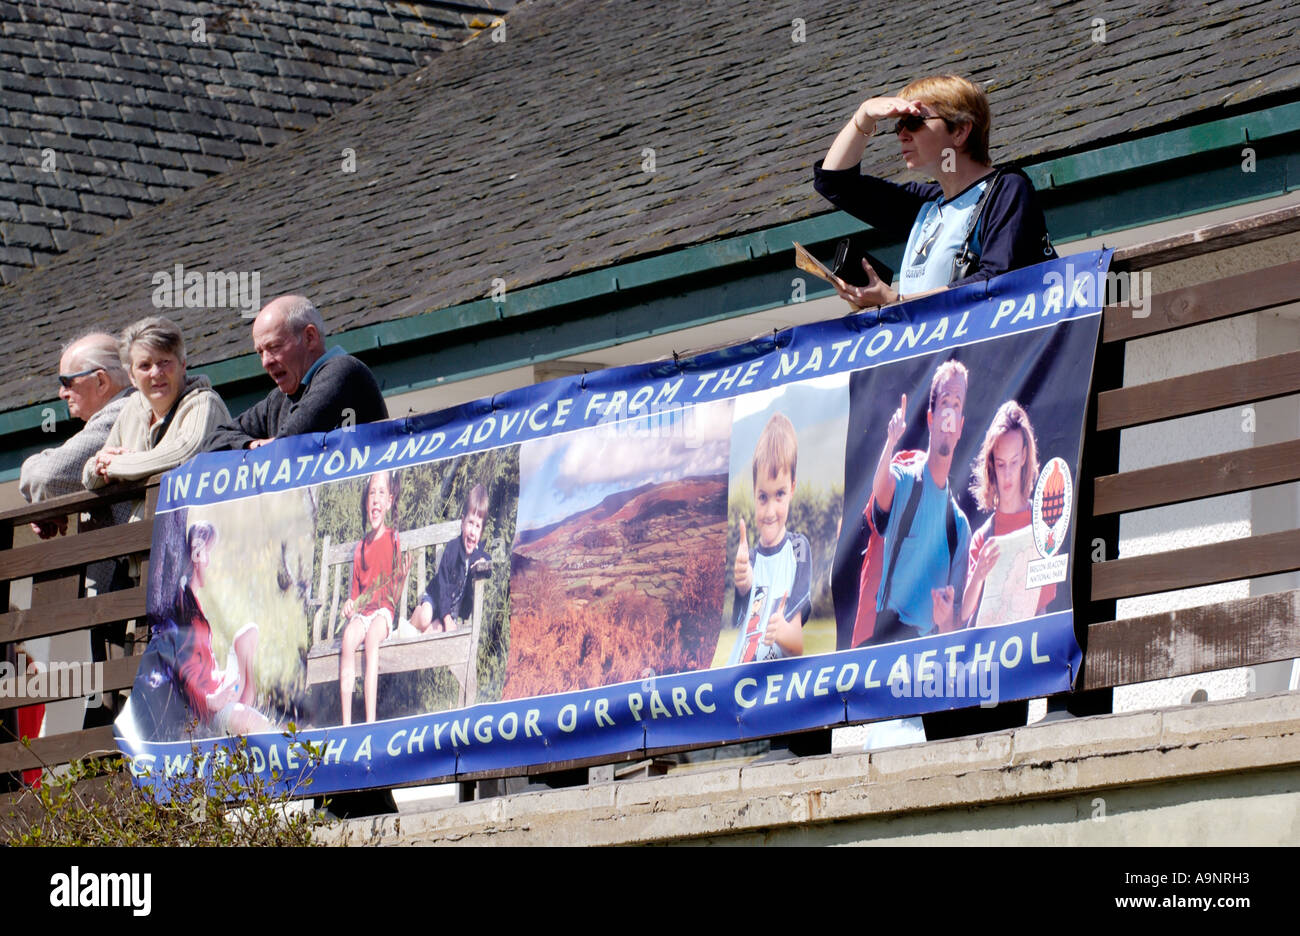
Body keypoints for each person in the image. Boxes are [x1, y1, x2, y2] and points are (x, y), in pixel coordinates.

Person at [814, 73, 1056, 310]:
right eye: (898, 126)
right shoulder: (928, 204)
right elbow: (835, 183)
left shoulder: (1006, 188)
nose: (902, 135)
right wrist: (864, 115)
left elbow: (998, 280)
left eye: (914, 122)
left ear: (960, 131)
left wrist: (896, 302)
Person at [867, 360, 972, 644]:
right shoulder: (904, 481)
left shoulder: (959, 527)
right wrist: (891, 442)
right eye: (945, 403)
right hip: (886, 642)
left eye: (957, 405)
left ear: (961, 426)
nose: (949, 414)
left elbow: (954, 627)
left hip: (928, 659)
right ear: (930, 418)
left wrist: (945, 618)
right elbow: (881, 490)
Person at [204, 295, 388, 451]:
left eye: (274, 347)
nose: (266, 361)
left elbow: (293, 440)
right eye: (260, 352)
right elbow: (213, 441)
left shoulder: (343, 371)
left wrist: (269, 446)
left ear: (310, 337)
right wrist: (254, 445)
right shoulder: (277, 400)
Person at [82, 317, 230, 490]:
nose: (156, 373)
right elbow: (90, 477)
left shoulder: (204, 403)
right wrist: (97, 467)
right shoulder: (132, 408)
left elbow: (182, 456)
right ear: (131, 376)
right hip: (144, 518)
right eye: (145, 366)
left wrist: (114, 465)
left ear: (183, 365)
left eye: (164, 362)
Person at [163, 522, 273, 737]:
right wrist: (211, 701)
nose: (210, 561)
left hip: (218, 688)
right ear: (196, 555)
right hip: (208, 708)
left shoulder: (194, 603)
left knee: (249, 633)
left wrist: (224, 680)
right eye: (208, 553)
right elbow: (182, 672)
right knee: (261, 724)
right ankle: (238, 713)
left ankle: (240, 703)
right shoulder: (183, 608)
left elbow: (205, 664)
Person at [20, 333, 134, 539]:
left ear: (101, 381)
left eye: (66, 381)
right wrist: (45, 505)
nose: (61, 393)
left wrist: (42, 495)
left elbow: (47, 477)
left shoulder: (123, 411)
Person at [727, 413, 812, 665]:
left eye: (780, 495)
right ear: (753, 493)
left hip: (771, 689)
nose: (770, 511)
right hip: (738, 684)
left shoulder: (799, 549)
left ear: (793, 489)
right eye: (762, 497)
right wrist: (743, 584)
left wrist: (783, 632)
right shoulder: (749, 559)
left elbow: (797, 645)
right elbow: (740, 623)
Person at [961, 401, 1057, 627]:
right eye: (1001, 464)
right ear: (991, 463)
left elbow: (1044, 602)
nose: (1008, 474)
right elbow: (965, 613)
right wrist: (978, 576)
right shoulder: (983, 536)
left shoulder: (1043, 524)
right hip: (993, 654)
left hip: (1030, 649)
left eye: (1014, 462)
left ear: (1024, 456)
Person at [339, 470, 407, 726]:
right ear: (367, 503)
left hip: (382, 613)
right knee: (347, 639)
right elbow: (354, 596)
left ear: (389, 501)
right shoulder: (360, 547)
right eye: (371, 493)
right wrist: (349, 605)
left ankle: (369, 721)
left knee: (370, 640)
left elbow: (394, 586)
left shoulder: (393, 539)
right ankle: (346, 724)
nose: (376, 499)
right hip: (363, 613)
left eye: (381, 493)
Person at [410, 484, 491, 635]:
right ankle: (410, 623)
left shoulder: (476, 553)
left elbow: (487, 561)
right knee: (425, 619)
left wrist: (484, 562)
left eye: (478, 526)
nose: (473, 532)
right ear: (462, 523)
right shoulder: (452, 550)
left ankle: (416, 642)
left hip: (448, 612)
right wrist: (447, 618)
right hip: (435, 599)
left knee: (436, 631)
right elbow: (442, 586)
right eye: (470, 523)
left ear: (481, 532)